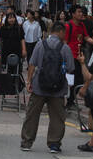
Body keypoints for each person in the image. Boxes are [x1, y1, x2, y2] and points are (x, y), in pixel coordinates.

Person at [21, 22, 72, 152]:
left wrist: (29, 82)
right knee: (57, 117)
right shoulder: (65, 48)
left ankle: (27, 141)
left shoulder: (40, 45)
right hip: (58, 88)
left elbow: (32, 64)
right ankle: (54, 143)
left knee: (32, 114)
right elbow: (71, 68)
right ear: (60, 32)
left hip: (39, 86)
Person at [0, 11, 25, 75]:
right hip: (6, 51)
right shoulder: (4, 28)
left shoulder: (19, 28)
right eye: (9, 18)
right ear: (7, 19)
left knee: (17, 69)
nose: (11, 20)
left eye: (13, 18)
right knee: (7, 69)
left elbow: (22, 39)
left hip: (17, 50)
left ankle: (17, 82)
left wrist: (24, 49)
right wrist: (0, 20)